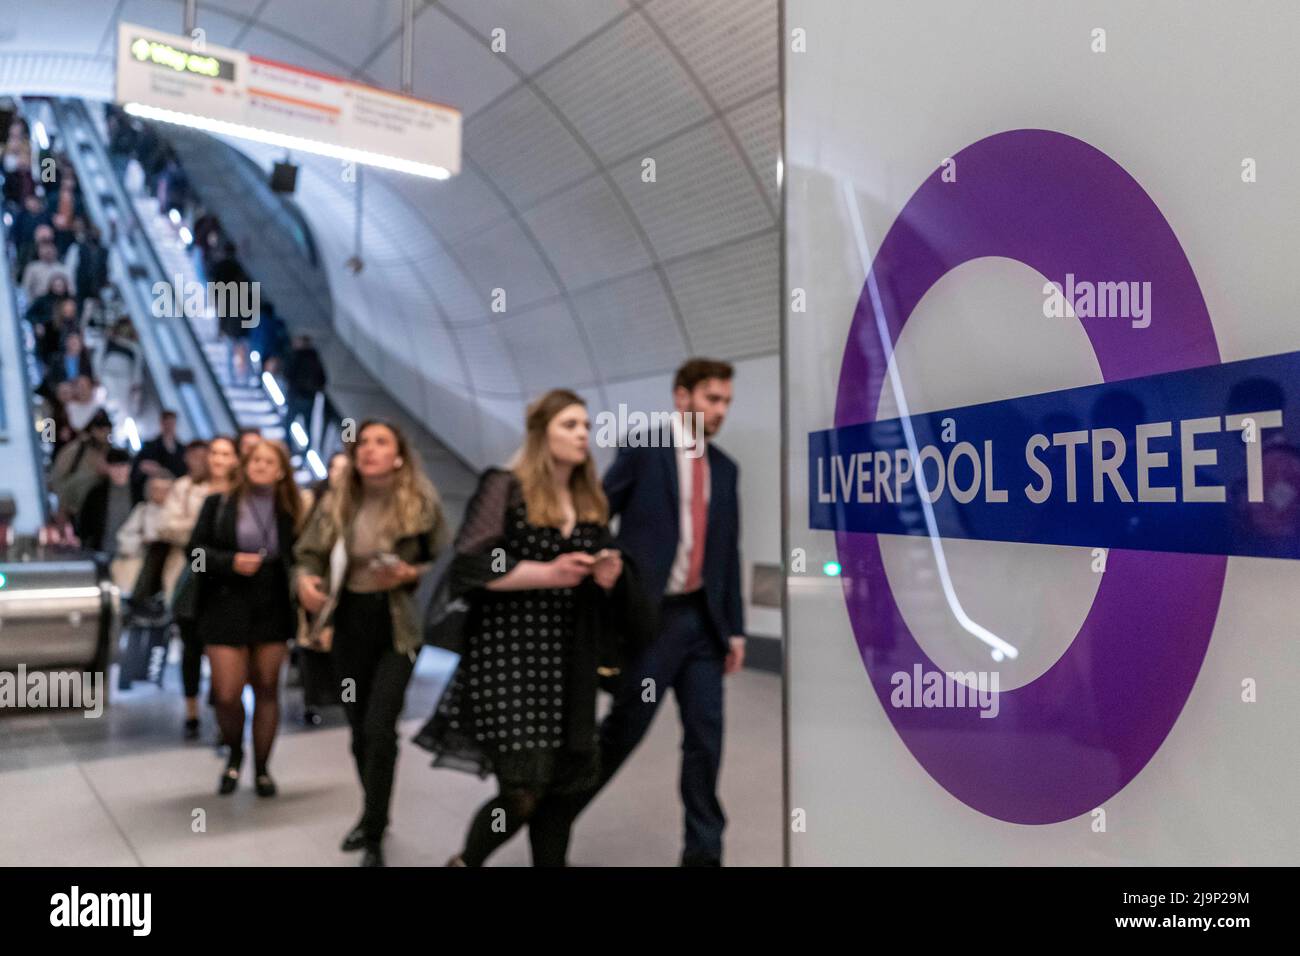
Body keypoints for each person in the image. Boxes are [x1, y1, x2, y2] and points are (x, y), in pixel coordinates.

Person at [420, 389, 652, 868]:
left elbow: (610, 569)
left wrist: (609, 574)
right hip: (508, 654)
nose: (582, 434)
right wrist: (548, 573)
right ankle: (464, 862)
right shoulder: (504, 486)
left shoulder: (590, 498)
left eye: (586, 426)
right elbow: (471, 564)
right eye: (569, 425)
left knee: (562, 791)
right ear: (541, 432)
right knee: (524, 789)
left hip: (569, 658)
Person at [576, 358, 745, 866]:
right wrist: (604, 566)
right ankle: (557, 815)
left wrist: (734, 631)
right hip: (652, 622)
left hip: (702, 625)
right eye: (712, 399)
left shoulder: (725, 468)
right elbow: (598, 512)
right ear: (682, 397)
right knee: (625, 729)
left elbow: (726, 553)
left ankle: (703, 853)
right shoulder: (645, 447)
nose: (720, 411)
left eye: (726, 403)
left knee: (705, 739)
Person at [293, 421, 445, 867]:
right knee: (359, 729)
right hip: (349, 623)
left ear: (398, 455)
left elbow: (440, 555)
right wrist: (303, 581)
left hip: (397, 626)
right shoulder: (338, 501)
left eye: (382, 441)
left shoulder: (420, 502)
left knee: (381, 727)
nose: (370, 450)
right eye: (364, 443)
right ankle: (372, 810)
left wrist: (411, 573)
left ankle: (374, 829)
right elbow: (306, 553)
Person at [188, 439, 303, 796]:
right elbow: (195, 556)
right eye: (255, 460)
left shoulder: (292, 510)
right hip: (225, 599)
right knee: (226, 692)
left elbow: (304, 556)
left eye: (269, 461)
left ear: (281, 470)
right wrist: (229, 562)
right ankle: (235, 752)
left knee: (267, 687)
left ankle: (264, 768)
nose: (261, 466)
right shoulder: (218, 503)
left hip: (273, 601)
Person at [159, 437, 223, 740]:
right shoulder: (182, 488)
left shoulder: (231, 492)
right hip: (188, 577)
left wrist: (197, 529)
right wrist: (200, 531)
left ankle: (221, 701)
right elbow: (167, 526)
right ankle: (192, 709)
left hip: (221, 580)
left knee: (221, 646)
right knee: (191, 647)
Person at [75, 447, 135, 553]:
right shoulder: (96, 494)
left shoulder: (139, 492)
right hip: (104, 551)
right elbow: (84, 522)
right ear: (108, 468)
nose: (118, 470)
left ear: (129, 467)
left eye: (122, 466)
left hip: (134, 553)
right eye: (114, 466)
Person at [132, 410, 186, 502]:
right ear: (162, 424)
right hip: (156, 493)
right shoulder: (150, 447)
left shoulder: (182, 449)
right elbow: (138, 467)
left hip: (176, 493)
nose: (169, 426)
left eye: (171, 423)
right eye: (167, 423)